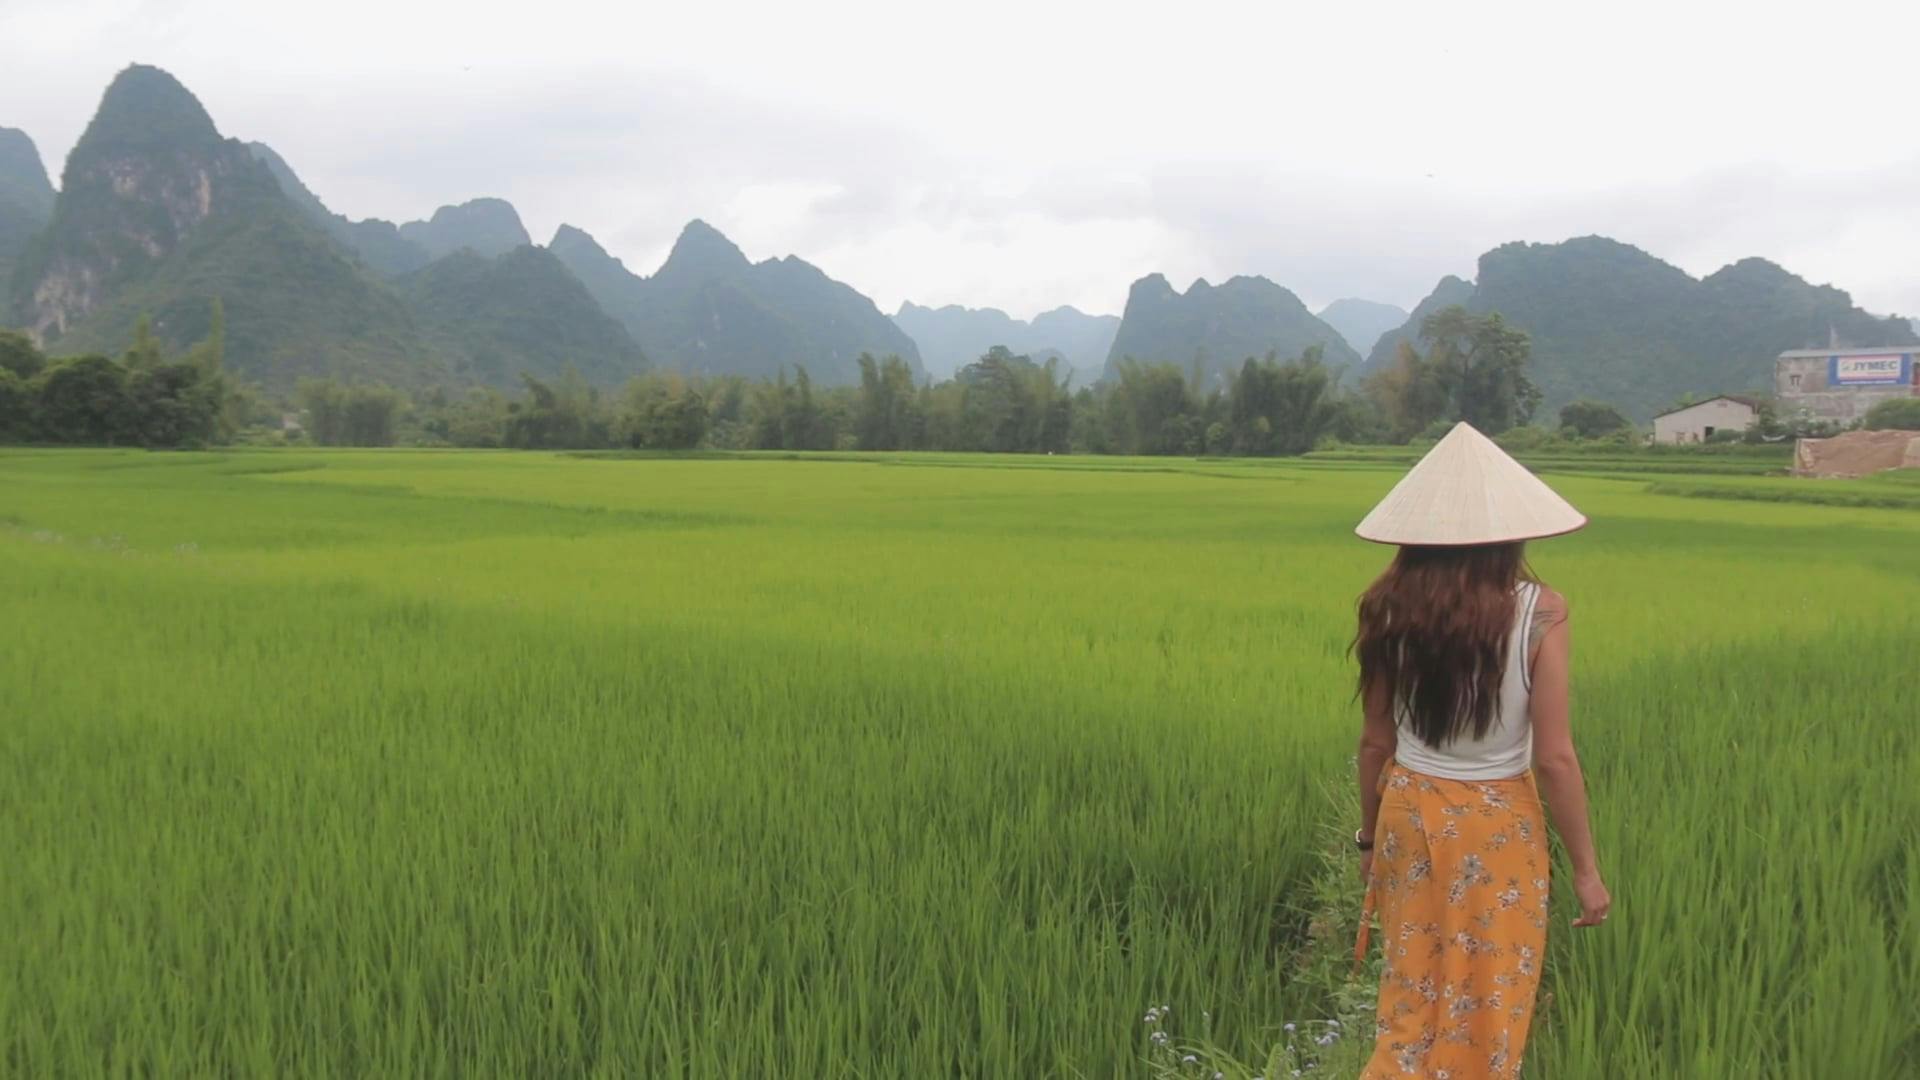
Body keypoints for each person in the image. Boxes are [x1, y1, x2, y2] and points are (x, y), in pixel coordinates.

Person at [1348, 422, 1609, 1079]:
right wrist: (1585, 870)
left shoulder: (1385, 608)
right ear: (1510, 531)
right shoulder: (1542, 612)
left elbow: (1376, 741)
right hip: (1498, 823)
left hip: (1407, 809)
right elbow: (1554, 757)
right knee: (1490, 988)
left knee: (1413, 983)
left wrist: (1370, 841)